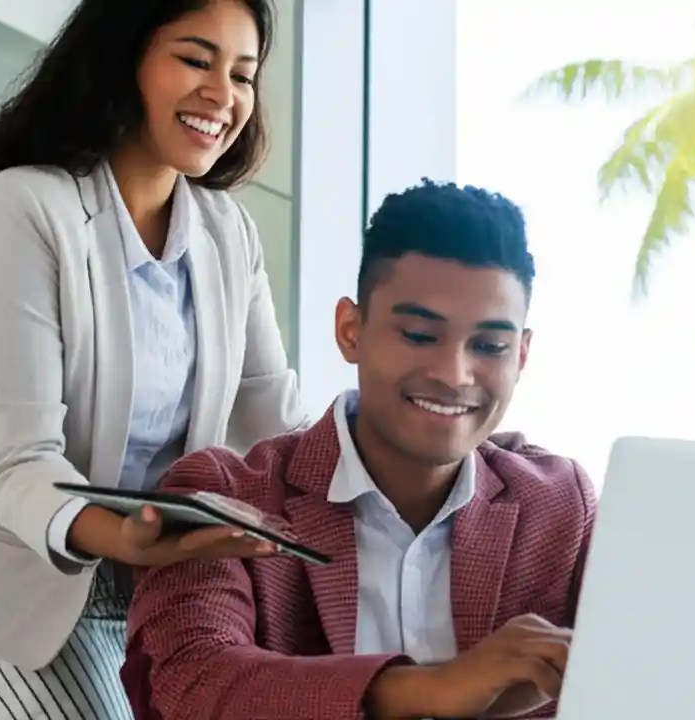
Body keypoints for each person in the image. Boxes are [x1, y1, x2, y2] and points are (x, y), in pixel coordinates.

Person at [0, 1, 303, 718]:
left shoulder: (227, 232)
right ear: (124, 59)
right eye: (196, 60)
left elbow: (273, 419)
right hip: (0, 590)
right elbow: (21, 461)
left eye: (243, 74)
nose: (224, 95)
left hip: (150, 590)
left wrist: (397, 468)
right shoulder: (27, 208)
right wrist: (125, 535)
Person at [122, 180, 597, 720]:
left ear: (523, 355)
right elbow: (194, 685)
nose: (454, 374)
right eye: (419, 334)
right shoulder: (226, 495)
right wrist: (436, 688)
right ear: (350, 330)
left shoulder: (560, 507)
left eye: (489, 346)